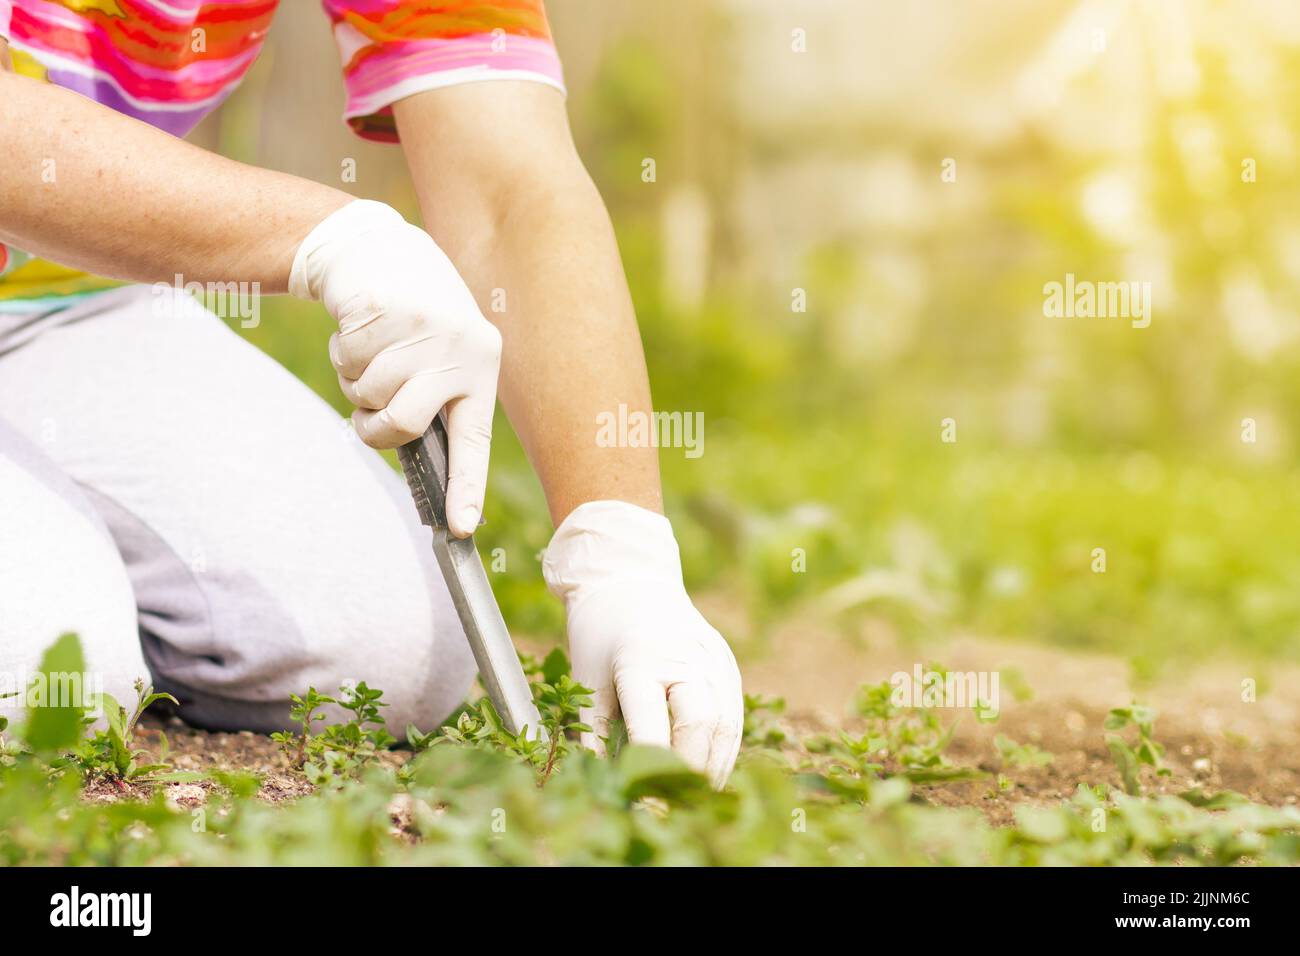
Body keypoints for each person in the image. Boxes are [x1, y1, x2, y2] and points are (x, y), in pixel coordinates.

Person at [0, 1, 741, 787]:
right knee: (49, 670)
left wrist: (620, 550)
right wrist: (323, 235)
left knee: (393, 650)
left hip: (64, 305)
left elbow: (506, 185)